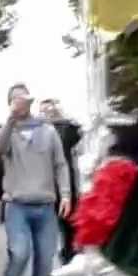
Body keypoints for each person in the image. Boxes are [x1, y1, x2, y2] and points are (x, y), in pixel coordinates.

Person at [0, 83, 72, 276]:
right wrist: (10, 120)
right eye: (15, 100)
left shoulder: (47, 131)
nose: (20, 103)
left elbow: (60, 164)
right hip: (17, 206)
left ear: (29, 101)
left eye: (23, 99)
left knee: (44, 264)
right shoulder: (7, 131)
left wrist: (66, 194)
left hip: (45, 206)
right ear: (10, 103)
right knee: (19, 256)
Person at [42, 100, 83, 265]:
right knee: (65, 223)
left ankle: (67, 254)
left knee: (63, 222)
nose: (46, 114)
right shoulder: (68, 128)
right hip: (57, 182)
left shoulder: (64, 129)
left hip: (58, 182)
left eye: (47, 111)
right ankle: (67, 254)